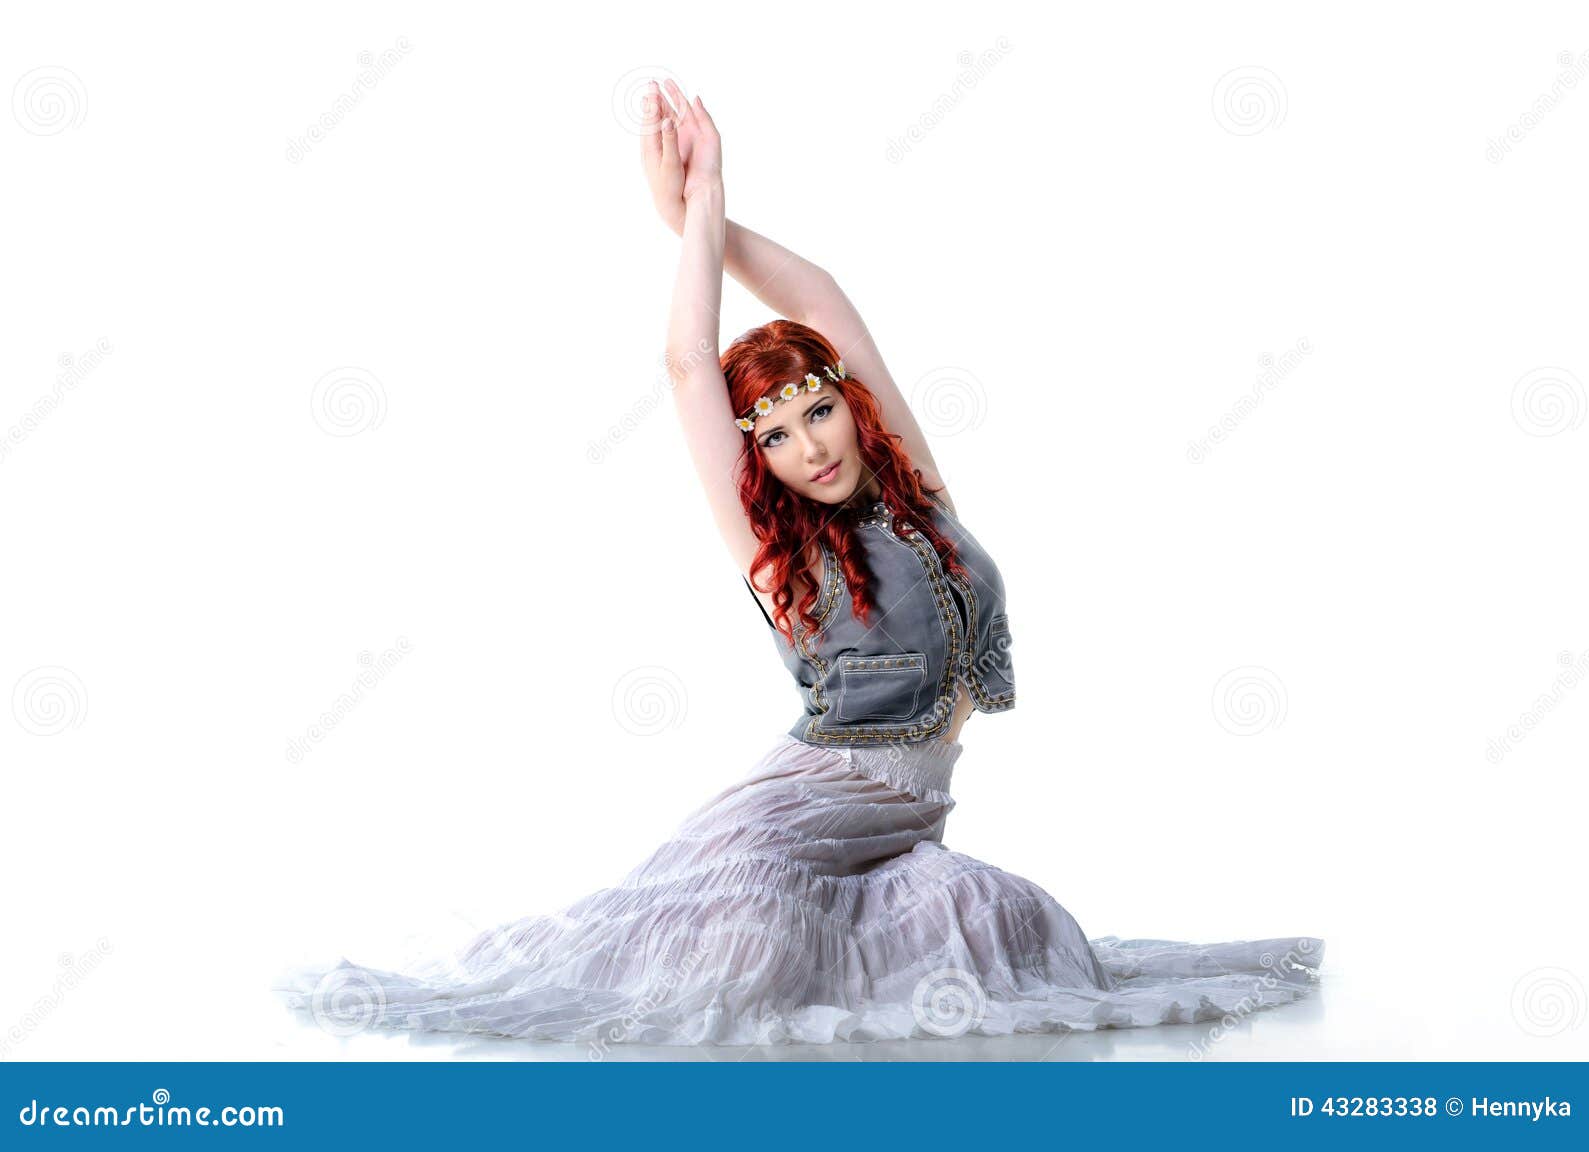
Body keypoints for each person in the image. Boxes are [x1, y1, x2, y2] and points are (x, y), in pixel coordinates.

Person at [273, 79, 1322, 1048]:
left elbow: (819, 296)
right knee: (743, 961)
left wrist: (708, 213)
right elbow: (687, 364)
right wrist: (694, 212)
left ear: (849, 407)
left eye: (818, 412)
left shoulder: (919, 493)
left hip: (898, 837)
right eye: (774, 436)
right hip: (790, 827)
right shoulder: (778, 550)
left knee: (1002, 922)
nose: (808, 447)